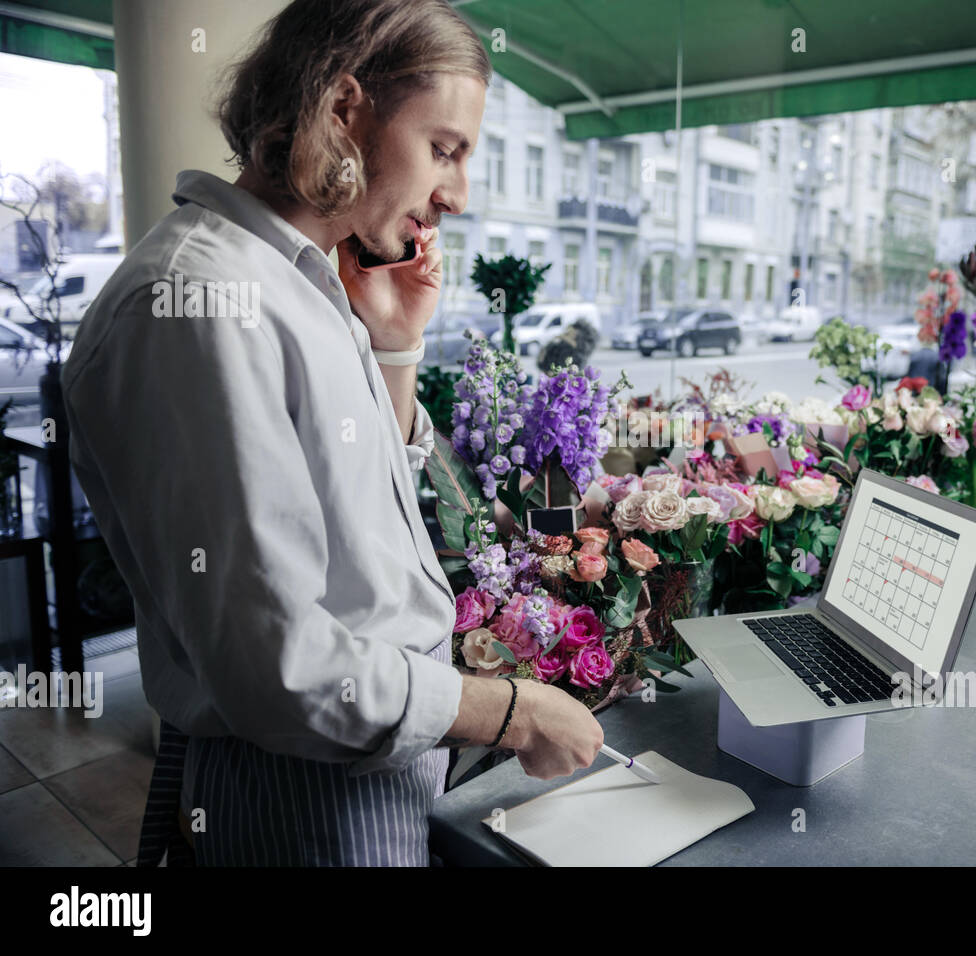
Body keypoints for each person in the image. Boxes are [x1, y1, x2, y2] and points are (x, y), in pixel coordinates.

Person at [62, 0, 602, 867]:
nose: (457, 195)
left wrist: (392, 343)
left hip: (372, 756)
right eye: (445, 149)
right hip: (307, 789)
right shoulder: (202, 307)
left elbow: (359, 515)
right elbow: (280, 666)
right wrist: (512, 712)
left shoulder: (300, 277)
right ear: (344, 111)